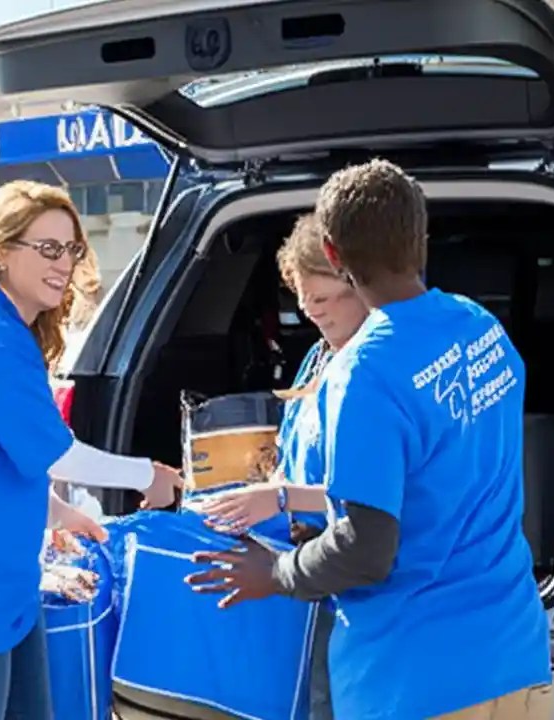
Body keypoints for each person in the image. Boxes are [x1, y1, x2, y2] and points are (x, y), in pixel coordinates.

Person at [185, 160, 552, 719]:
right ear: (420, 236)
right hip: (514, 654)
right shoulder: (481, 327)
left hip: (414, 680)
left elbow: (365, 550)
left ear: (333, 255)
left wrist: (276, 574)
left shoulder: (365, 374)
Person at [0, 180, 185, 720]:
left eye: (70, 249)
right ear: (1, 252)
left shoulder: (3, 330)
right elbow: (55, 454)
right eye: (47, 248)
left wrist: (56, 512)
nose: (63, 263)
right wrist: (146, 476)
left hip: (0, 589)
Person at [195, 213, 369, 720]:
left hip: (351, 578)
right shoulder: (318, 356)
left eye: (320, 299)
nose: (310, 312)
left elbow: (372, 500)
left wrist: (279, 499)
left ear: (357, 283)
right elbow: (292, 455)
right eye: (301, 298)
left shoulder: (377, 371)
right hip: (308, 572)